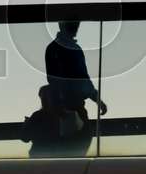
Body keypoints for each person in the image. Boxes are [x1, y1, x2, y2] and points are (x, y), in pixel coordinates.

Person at [45, 21, 106, 156]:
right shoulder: (72, 49)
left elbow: (56, 80)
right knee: (78, 148)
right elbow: (82, 79)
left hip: (66, 108)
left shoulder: (55, 49)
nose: (76, 27)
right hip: (70, 107)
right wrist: (97, 99)